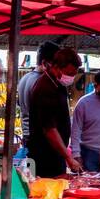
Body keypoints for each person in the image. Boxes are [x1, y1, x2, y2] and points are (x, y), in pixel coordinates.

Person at [27, 47, 83, 178]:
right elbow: (49, 129)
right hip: (45, 157)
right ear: (56, 67)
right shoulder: (45, 88)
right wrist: (68, 157)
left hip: (56, 154)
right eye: (69, 73)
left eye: (74, 74)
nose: (71, 78)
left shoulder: (58, 84)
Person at [17, 41, 60, 149]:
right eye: (56, 63)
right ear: (45, 63)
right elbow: (46, 119)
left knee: (31, 165)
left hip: (27, 135)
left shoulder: (24, 78)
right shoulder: (42, 83)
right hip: (41, 139)